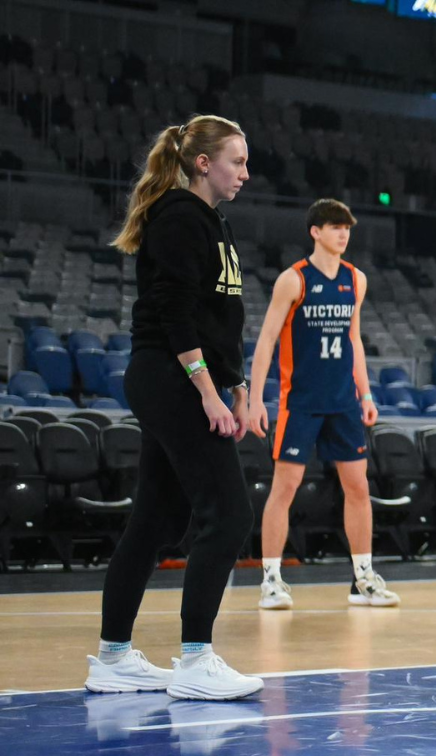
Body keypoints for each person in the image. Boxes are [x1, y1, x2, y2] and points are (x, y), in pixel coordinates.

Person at [85, 115, 263, 700]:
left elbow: (221, 318)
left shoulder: (212, 221)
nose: (245, 171)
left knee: (159, 519)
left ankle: (112, 658)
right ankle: (195, 661)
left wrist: (234, 385)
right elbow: (175, 314)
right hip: (171, 376)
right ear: (203, 163)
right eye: (236, 161)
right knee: (229, 515)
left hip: (184, 377)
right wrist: (208, 391)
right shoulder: (180, 217)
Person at [248, 199, 397, 609]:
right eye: (335, 227)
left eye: (346, 227)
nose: (343, 233)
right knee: (286, 487)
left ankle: (363, 579)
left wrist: (365, 394)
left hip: (343, 403)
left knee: (358, 488)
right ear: (315, 231)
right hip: (301, 402)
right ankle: (272, 581)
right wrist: (256, 398)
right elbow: (265, 342)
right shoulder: (292, 280)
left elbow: (353, 341)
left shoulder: (356, 279)